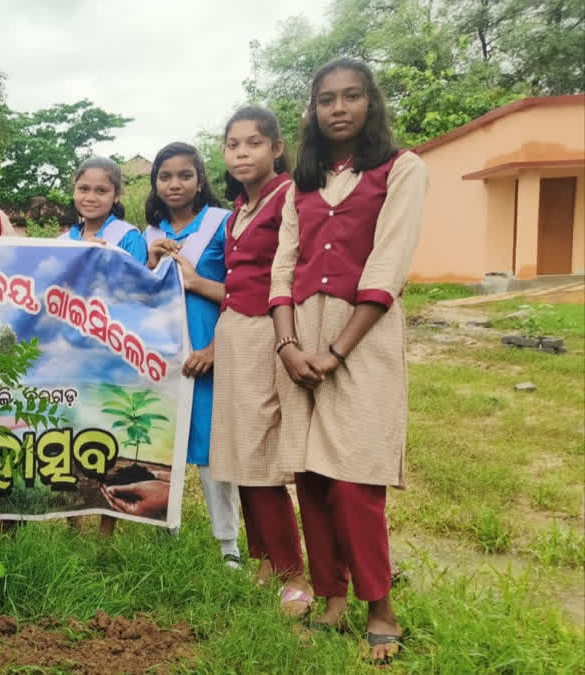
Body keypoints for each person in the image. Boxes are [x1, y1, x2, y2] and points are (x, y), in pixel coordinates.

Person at [270, 57, 427, 665]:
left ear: (371, 103)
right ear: (312, 110)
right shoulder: (302, 182)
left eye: (351, 96)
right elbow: (284, 264)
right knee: (310, 471)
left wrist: (336, 351)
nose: (338, 109)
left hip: (364, 331)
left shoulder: (402, 169)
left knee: (357, 475)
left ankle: (379, 605)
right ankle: (331, 595)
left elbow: (389, 265)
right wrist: (288, 344)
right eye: (326, 99)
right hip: (299, 330)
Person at [208, 106, 313, 615]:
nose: (241, 153)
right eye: (233, 145)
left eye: (253, 143)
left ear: (276, 148)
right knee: (237, 452)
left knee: (260, 452)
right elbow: (232, 279)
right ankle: (265, 559)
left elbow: (294, 269)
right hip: (233, 330)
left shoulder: (289, 195)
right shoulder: (238, 209)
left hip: (263, 329)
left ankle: (294, 572)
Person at [143, 142, 242, 568]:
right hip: (162, 362)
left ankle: (229, 545)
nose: (175, 184)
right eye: (165, 176)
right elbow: (136, 301)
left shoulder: (222, 224)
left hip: (209, 353)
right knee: (163, 445)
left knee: (212, 450)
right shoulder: (150, 234)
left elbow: (245, 293)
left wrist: (216, 348)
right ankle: (167, 531)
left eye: (184, 175)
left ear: (200, 180)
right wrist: (148, 264)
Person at [60, 156, 147, 536]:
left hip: (113, 355)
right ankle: (72, 520)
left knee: (108, 436)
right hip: (68, 353)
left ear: (116, 194)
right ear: (73, 191)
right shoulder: (63, 240)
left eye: (101, 190)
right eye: (84, 188)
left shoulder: (128, 236)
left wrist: (102, 259)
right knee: (69, 434)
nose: (91, 196)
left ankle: (107, 530)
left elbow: (136, 290)